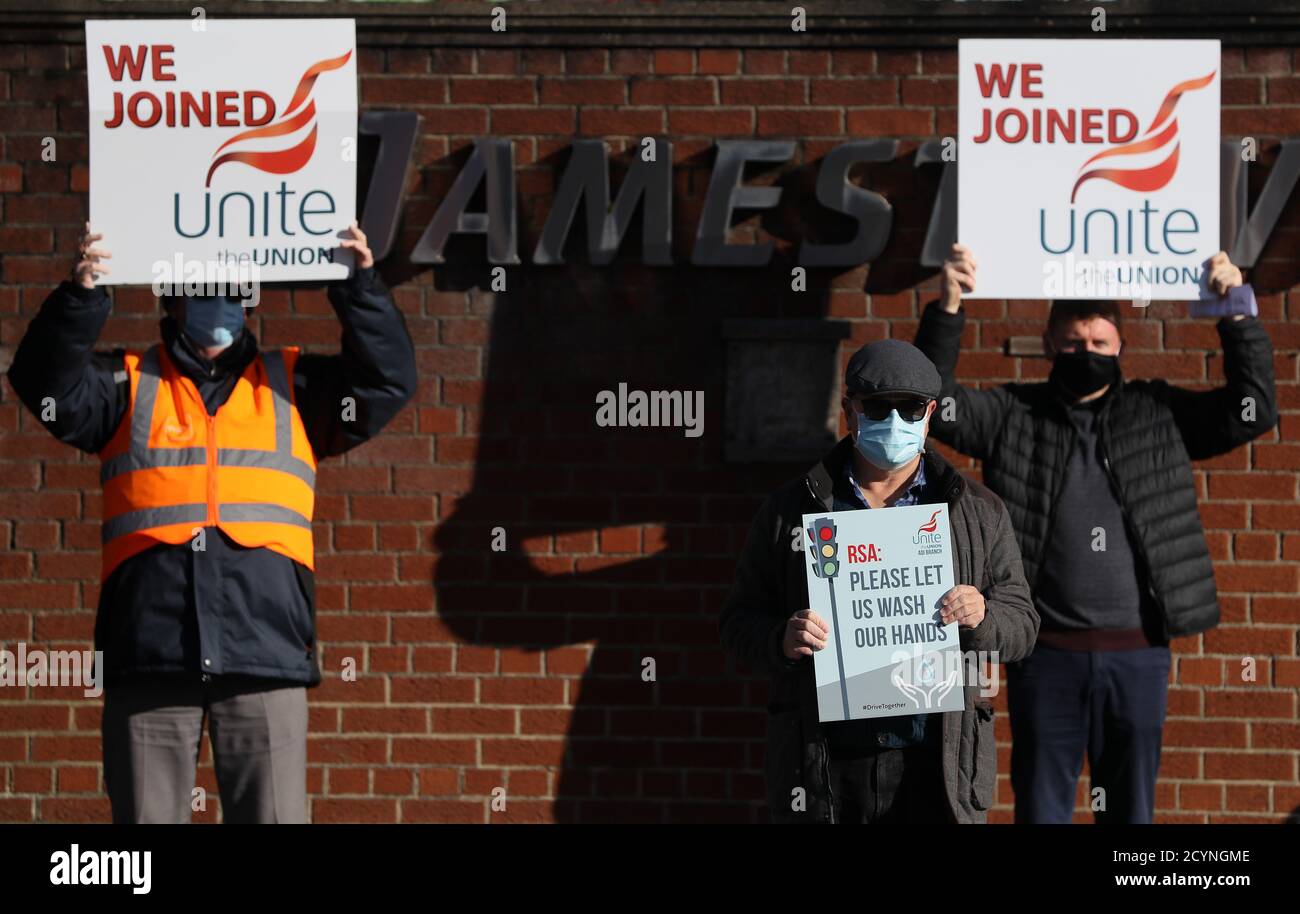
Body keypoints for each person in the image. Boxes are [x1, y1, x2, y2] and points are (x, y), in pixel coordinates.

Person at [7, 222, 418, 823]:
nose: (218, 299)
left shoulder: (296, 387)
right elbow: (43, 384)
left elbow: (387, 380)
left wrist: (358, 284)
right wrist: (83, 295)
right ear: (169, 296)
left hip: (264, 654)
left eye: (232, 287)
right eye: (202, 286)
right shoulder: (124, 385)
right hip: (149, 657)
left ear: (249, 295)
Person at [914, 244, 1277, 824]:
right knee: (1043, 810)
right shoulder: (1014, 414)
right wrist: (949, 308)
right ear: (1052, 345)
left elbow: (1253, 410)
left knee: (1131, 814)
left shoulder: (1157, 412)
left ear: (1121, 349)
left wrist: (1236, 310)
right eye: (1074, 344)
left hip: (1138, 658)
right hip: (1044, 656)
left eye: (1100, 344)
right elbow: (932, 409)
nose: (1087, 354)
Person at [719, 338, 1039, 824]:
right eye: (877, 407)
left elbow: (1023, 626)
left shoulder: (977, 510)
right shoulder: (790, 510)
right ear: (849, 409)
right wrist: (780, 638)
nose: (894, 422)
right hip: (827, 763)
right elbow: (737, 623)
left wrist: (984, 617)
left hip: (936, 758)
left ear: (931, 412)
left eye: (909, 408)